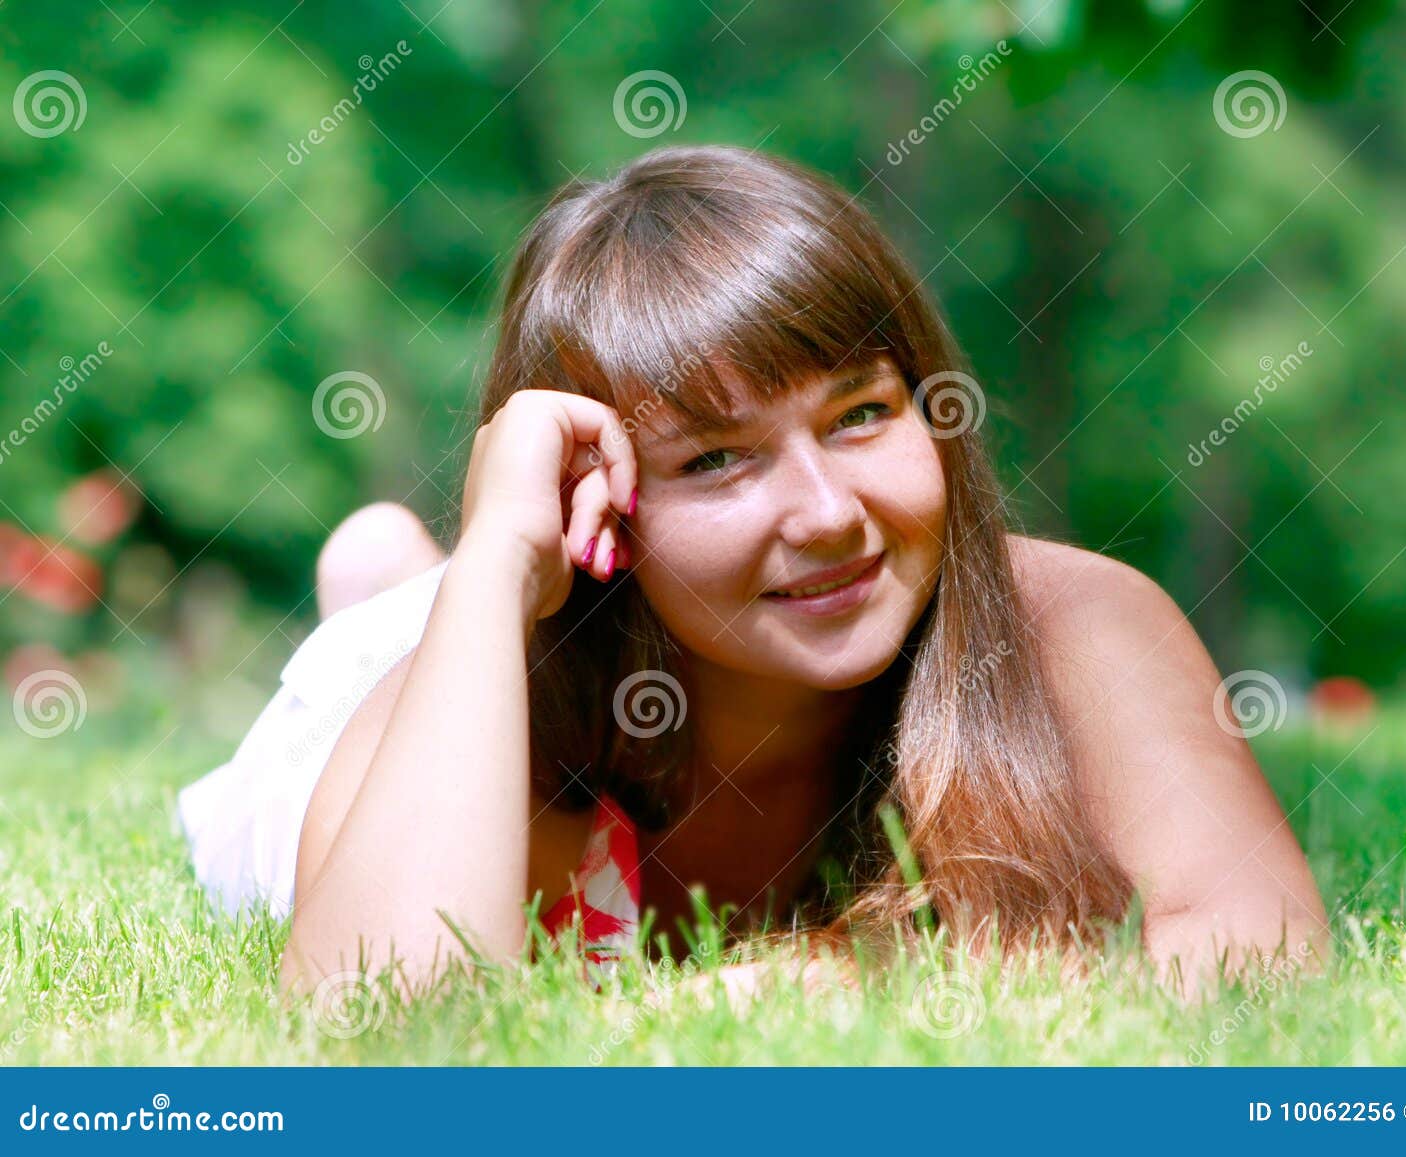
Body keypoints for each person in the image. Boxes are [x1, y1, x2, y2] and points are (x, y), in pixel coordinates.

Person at [178, 143, 1328, 1008]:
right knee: (384, 631)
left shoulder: (1074, 619)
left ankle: (391, 566)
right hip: (394, 693)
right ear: (597, 496)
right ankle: (391, 579)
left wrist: (811, 981)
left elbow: (1261, 946)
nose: (828, 514)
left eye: (860, 413)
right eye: (716, 459)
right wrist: (488, 572)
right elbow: (385, 1024)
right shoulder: (500, 687)